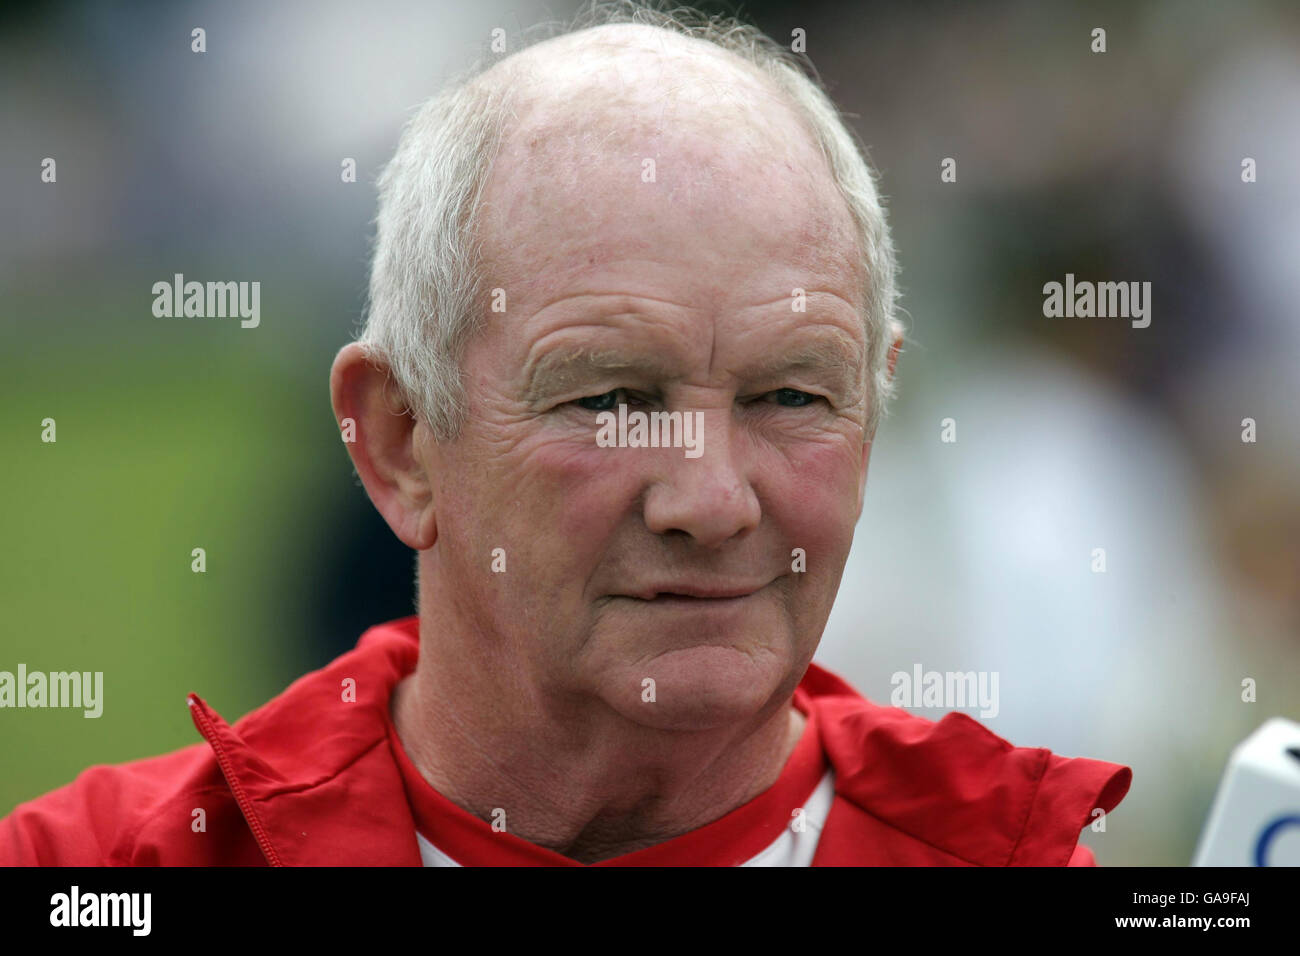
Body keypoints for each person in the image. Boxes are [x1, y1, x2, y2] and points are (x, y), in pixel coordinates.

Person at [0, 1, 1129, 866]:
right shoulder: (106, 869)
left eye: (792, 397)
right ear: (399, 442)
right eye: (610, 399)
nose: (712, 498)